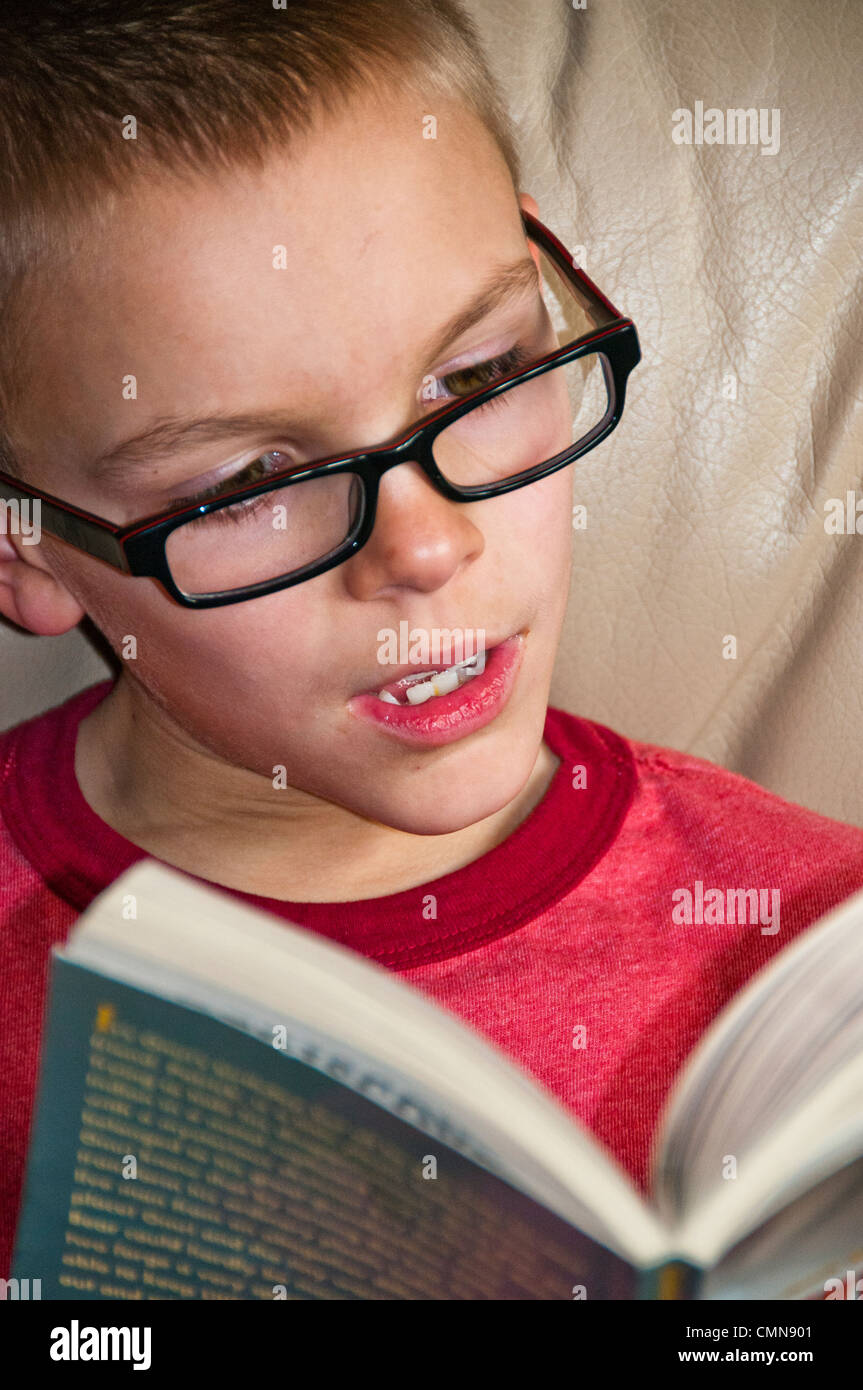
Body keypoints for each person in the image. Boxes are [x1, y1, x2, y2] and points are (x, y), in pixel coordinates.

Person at [1, 0, 862, 1286]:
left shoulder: (811, 953)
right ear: (29, 544)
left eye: (469, 379)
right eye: (245, 483)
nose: (425, 546)